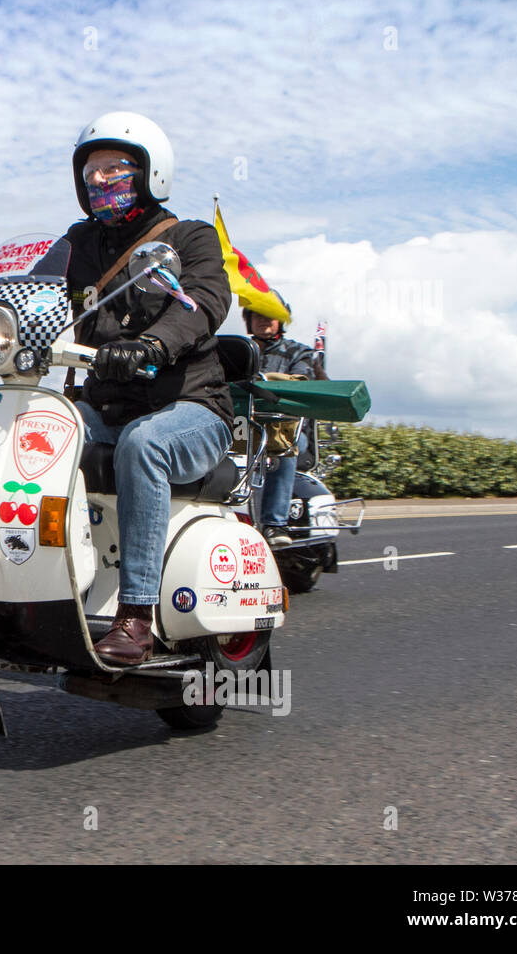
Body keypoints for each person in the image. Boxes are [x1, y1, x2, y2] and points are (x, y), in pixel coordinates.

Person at [64, 111, 234, 665]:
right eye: (92, 172)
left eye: (116, 168)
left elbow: (206, 302)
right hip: (107, 404)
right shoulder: (78, 243)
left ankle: (136, 615)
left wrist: (153, 345)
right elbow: (34, 290)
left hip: (190, 409)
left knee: (144, 442)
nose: (102, 181)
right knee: (35, 429)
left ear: (149, 173)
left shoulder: (190, 238)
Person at [244, 295, 326, 546]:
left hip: (282, 427)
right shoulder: (240, 350)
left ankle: (274, 524)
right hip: (243, 425)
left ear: (281, 320)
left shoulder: (299, 352)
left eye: (269, 315)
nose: (263, 320)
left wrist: (268, 381)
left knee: (287, 444)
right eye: (256, 315)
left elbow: (301, 381)